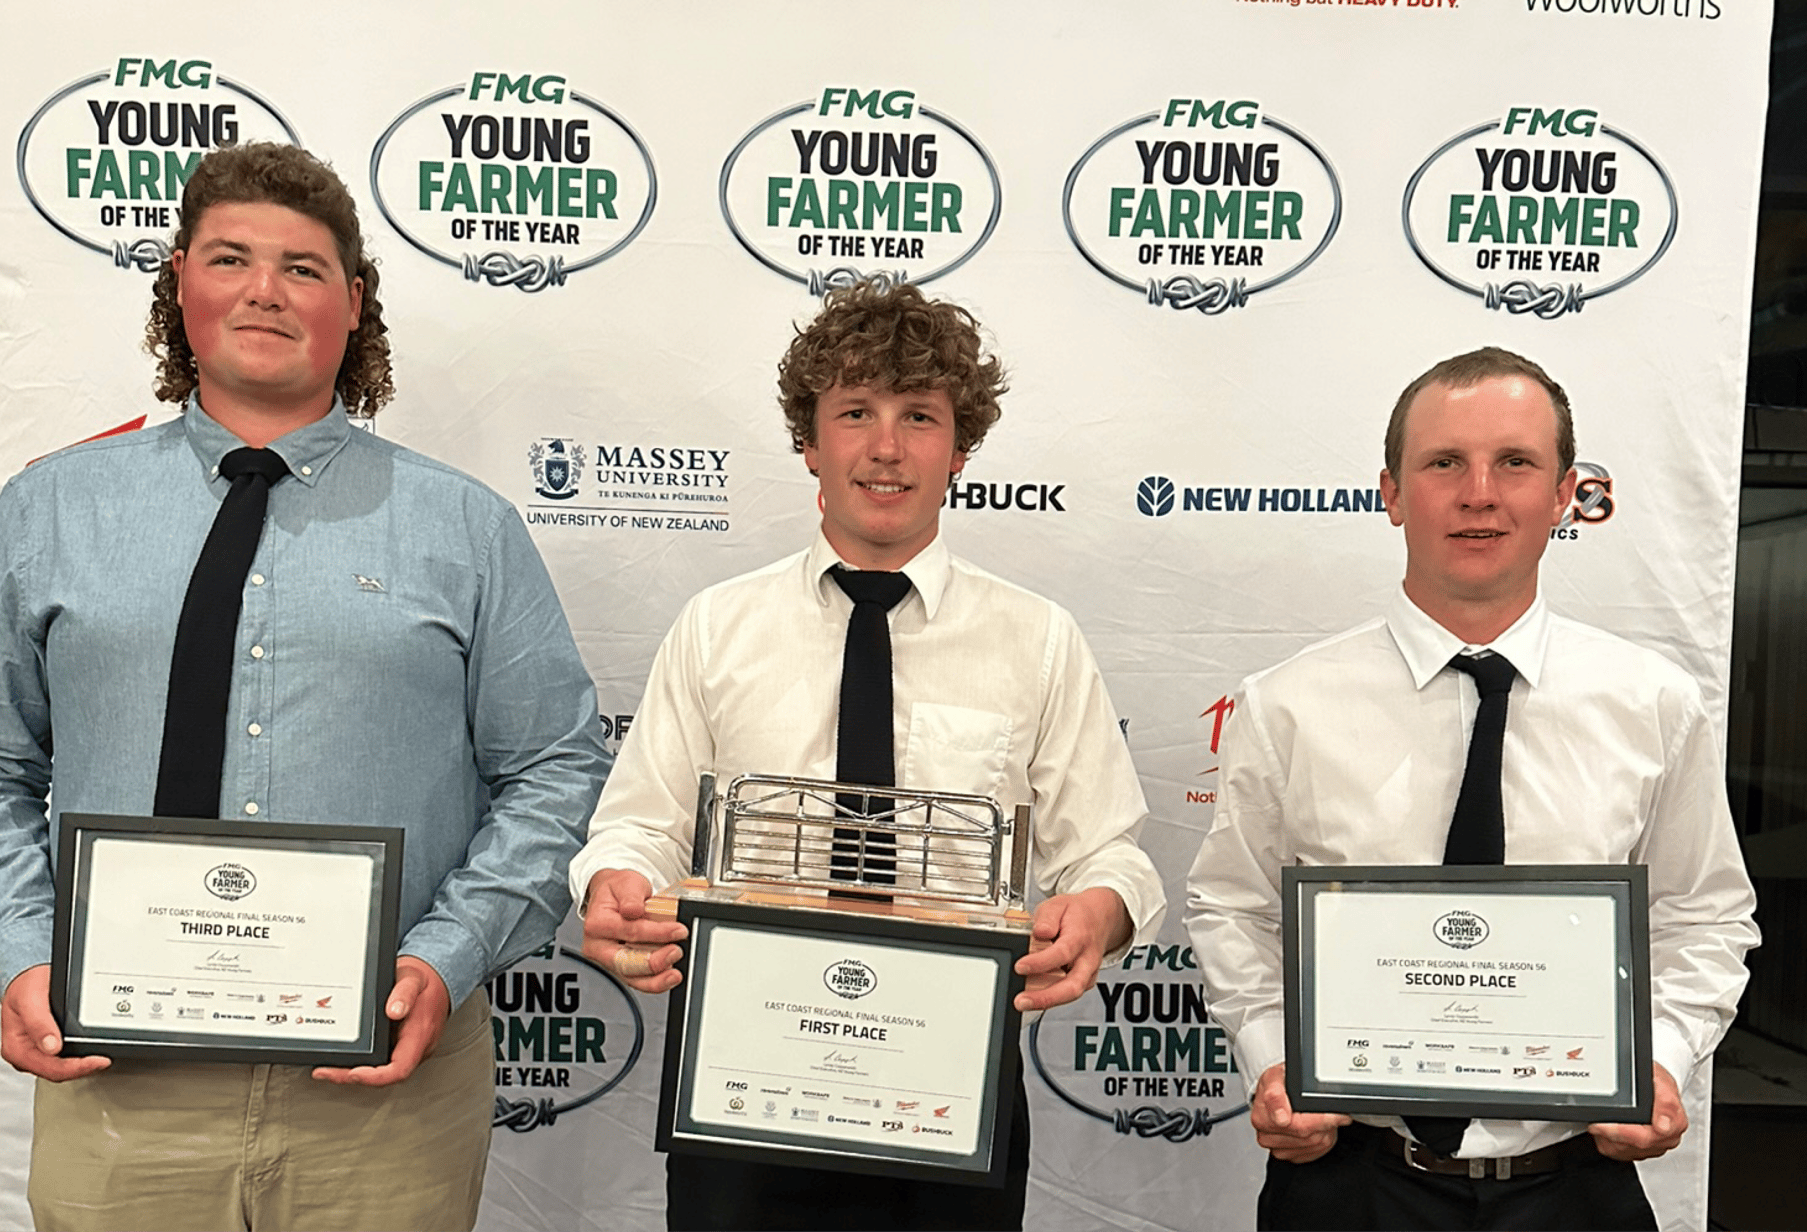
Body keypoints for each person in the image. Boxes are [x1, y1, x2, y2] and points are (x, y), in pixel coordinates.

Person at [0, 142, 609, 1231]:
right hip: (122, 1084)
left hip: (386, 1086)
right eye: (232, 257)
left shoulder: (465, 527)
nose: (266, 291)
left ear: (354, 301)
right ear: (179, 277)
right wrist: (25, 948)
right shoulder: (48, 510)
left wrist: (446, 956)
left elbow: (556, 765)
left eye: (305, 267)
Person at [570, 277, 1165, 1231]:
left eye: (918, 416)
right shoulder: (717, 626)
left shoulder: (1037, 637)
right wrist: (615, 884)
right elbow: (637, 826)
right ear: (808, 441)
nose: (885, 447)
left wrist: (1098, 909)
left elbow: (1109, 852)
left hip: (950, 1081)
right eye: (854, 412)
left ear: (959, 449)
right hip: (742, 1077)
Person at [1185, 346, 1758, 1231]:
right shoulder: (1287, 704)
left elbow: (1703, 915)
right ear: (1390, 492)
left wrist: (1662, 1061)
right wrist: (1271, 1059)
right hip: (1350, 1185)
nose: (1478, 492)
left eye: (1515, 463)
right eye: (1443, 462)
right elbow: (1233, 906)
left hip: (1574, 1186)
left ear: (1566, 494)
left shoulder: (1653, 704)